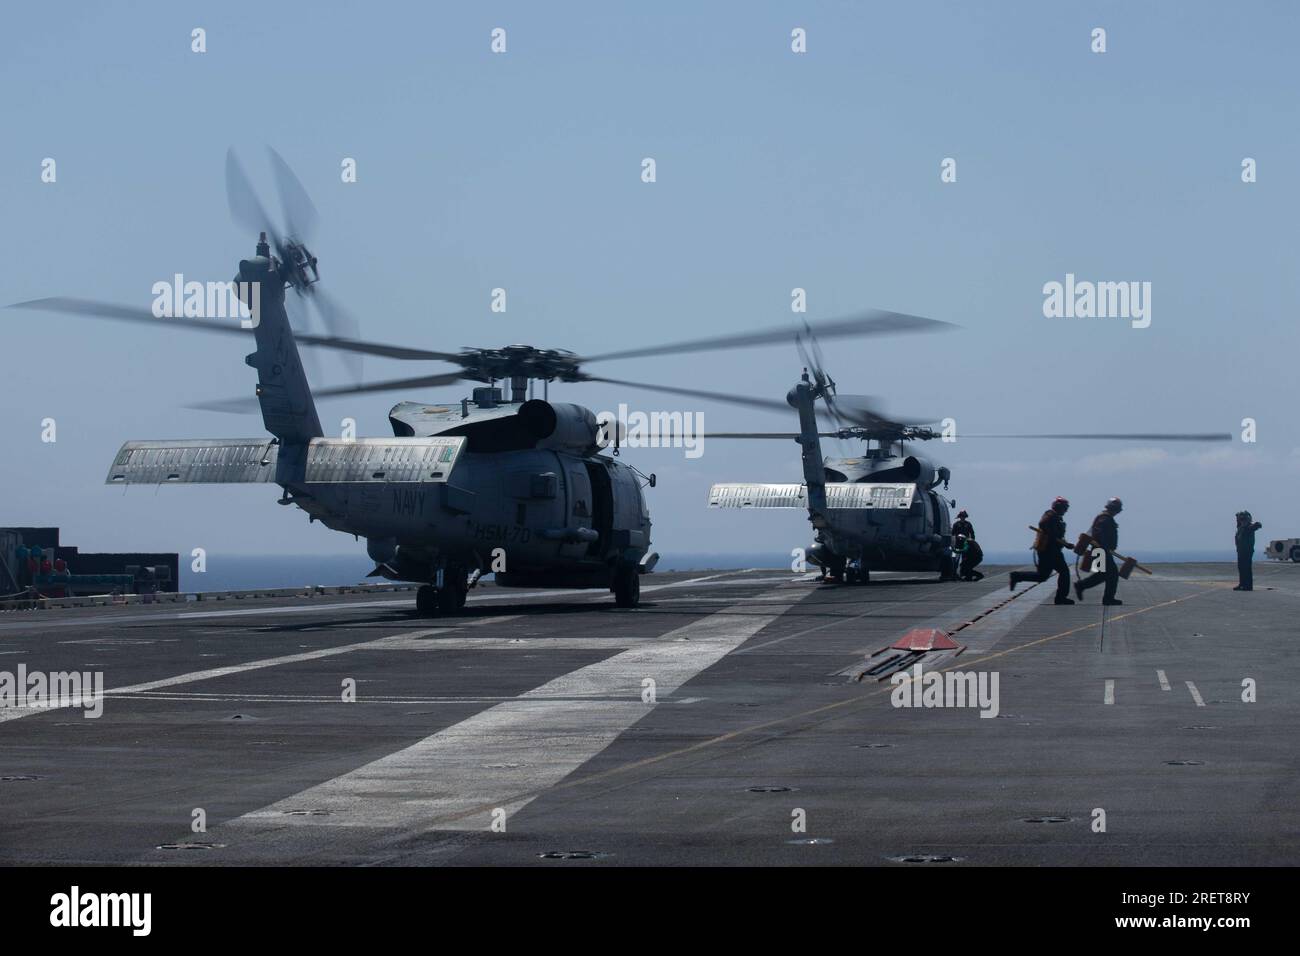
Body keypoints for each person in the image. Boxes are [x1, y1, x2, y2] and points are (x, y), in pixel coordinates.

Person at [1010, 496, 1074, 603]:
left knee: (1045, 575)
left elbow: (1056, 535)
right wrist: (1054, 536)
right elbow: (1044, 526)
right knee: (1059, 573)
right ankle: (1060, 598)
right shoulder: (1050, 516)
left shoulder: (1055, 517)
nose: (1066, 510)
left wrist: (1065, 543)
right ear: (1059, 507)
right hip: (1048, 551)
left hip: (1053, 551)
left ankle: (1017, 576)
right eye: (1065, 507)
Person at [1075, 497, 1123, 606]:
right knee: (1113, 574)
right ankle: (1108, 598)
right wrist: (1105, 547)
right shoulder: (1105, 519)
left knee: (1103, 575)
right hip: (1101, 551)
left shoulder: (1105, 518)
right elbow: (1099, 534)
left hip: (1101, 550)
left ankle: (1082, 585)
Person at [1234, 511, 1262, 591]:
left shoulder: (1248, 527)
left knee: (1247, 568)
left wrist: (1257, 524)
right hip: (1240, 551)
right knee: (1241, 568)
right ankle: (1242, 584)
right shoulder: (1240, 528)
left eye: (1241, 519)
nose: (1239, 520)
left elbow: (1255, 526)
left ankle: (1248, 586)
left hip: (1247, 551)